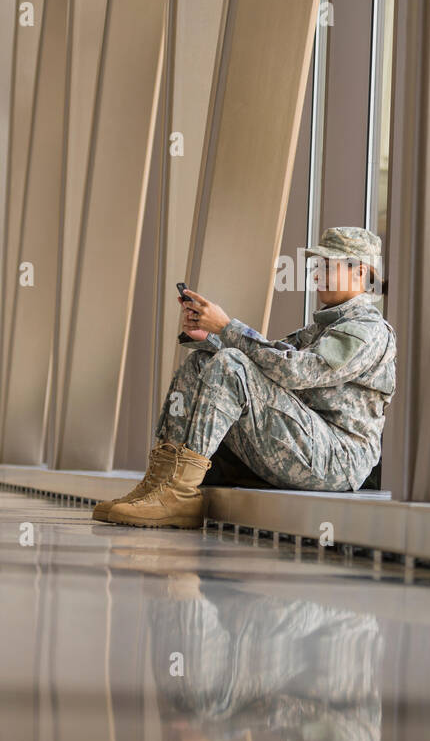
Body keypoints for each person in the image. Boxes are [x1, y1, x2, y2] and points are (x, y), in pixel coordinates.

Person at [93, 226, 396, 528]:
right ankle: (160, 483)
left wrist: (227, 328)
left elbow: (294, 371)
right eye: (318, 267)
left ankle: (179, 494)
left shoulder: (368, 329)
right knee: (201, 361)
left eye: (328, 267)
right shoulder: (324, 327)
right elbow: (269, 364)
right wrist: (208, 336)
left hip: (337, 460)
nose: (316, 276)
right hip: (309, 445)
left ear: (361, 272)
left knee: (231, 364)